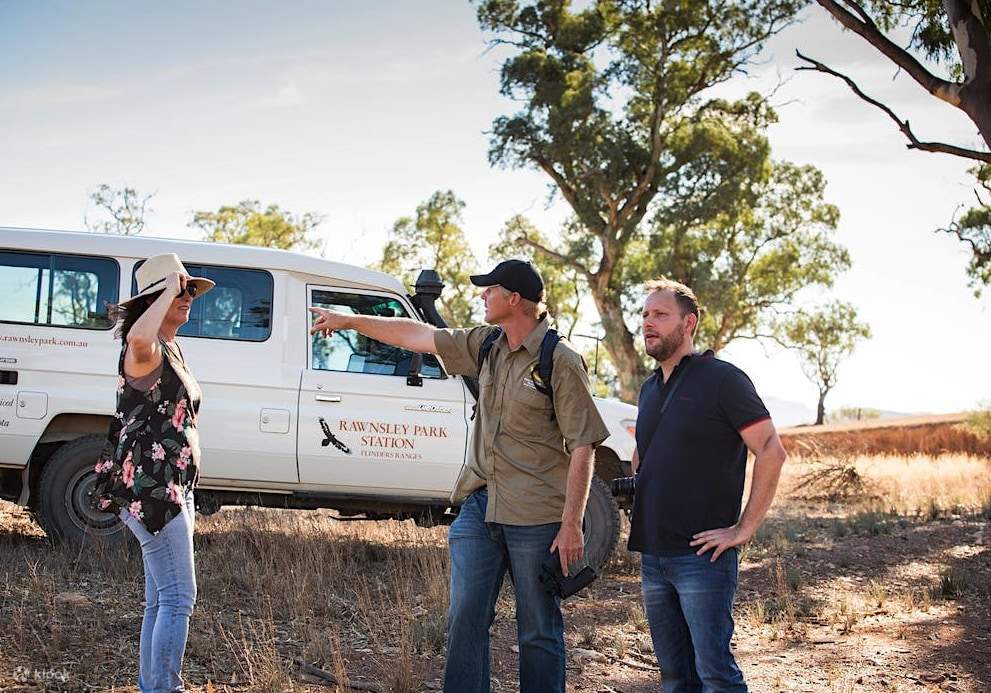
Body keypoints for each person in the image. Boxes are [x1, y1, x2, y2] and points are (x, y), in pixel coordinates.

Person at [310, 259, 609, 693]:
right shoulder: (486, 343)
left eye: (490, 289)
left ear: (514, 299)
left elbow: (583, 445)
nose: (482, 295)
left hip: (535, 515)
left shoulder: (560, 360)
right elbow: (417, 336)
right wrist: (349, 320)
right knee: (465, 617)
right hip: (479, 506)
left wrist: (571, 524)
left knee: (537, 629)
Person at [629, 279, 787, 693]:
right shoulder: (649, 389)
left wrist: (743, 529)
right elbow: (645, 454)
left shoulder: (722, 380)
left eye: (660, 314)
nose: (648, 322)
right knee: (675, 678)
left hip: (702, 557)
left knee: (716, 675)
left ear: (689, 323)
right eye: (645, 315)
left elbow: (771, 450)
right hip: (653, 555)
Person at [92, 253, 214, 693]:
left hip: (174, 487)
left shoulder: (171, 345)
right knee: (179, 596)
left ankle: (153, 686)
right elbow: (138, 337)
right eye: (178, 290)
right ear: (153, 301)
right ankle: (164, 688)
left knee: (160, 598)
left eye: (189, 290)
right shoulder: (143, 349)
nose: (187, 296)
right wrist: (165, 292)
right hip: (152, 490)